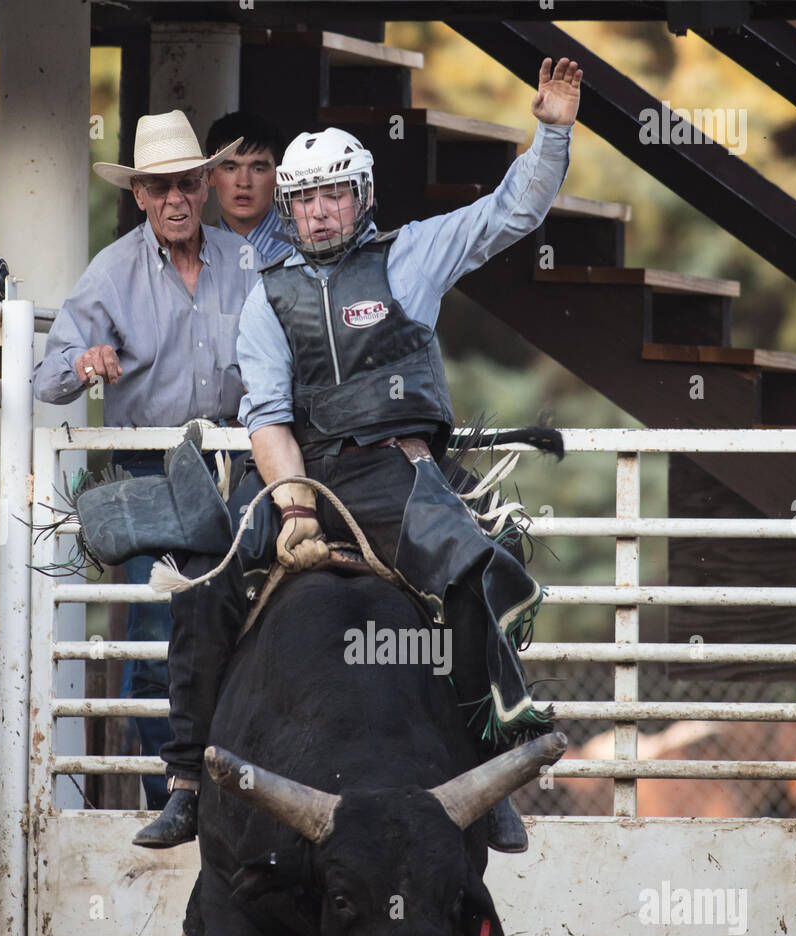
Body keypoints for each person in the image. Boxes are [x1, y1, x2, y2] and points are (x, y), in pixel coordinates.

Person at [142, 56, 582, 853]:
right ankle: (185, 785)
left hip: (395, 469)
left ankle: (489, 764)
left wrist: (551, 132)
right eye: (302, 199)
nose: (316, 213)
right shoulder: (267, 297)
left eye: (332, 194)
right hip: (298, 473)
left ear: (363, 195)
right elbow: (268, 417)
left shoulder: (413, 255)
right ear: (290, 208)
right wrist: (294, 510)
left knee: (480, 574)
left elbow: (511, 213)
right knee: (203, 585)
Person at [34, 109, 257, 816]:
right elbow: (46, 377)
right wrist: (83, 361)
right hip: (150, 471)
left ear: (205, 184)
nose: (176, 199)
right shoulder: (113, 271)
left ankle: (240, 797)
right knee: (160, 639)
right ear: (139, 195)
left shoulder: (244, 262)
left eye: (187, 183)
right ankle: (172, 794)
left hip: (233, 466)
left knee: (248, 621)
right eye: (159, 187)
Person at [204, 111, 291, 265]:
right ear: (210, 175)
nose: (244, 182)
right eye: (230, 168)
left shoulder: (303, 250)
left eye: (258, 169)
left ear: (279, 176)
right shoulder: (195, 253)